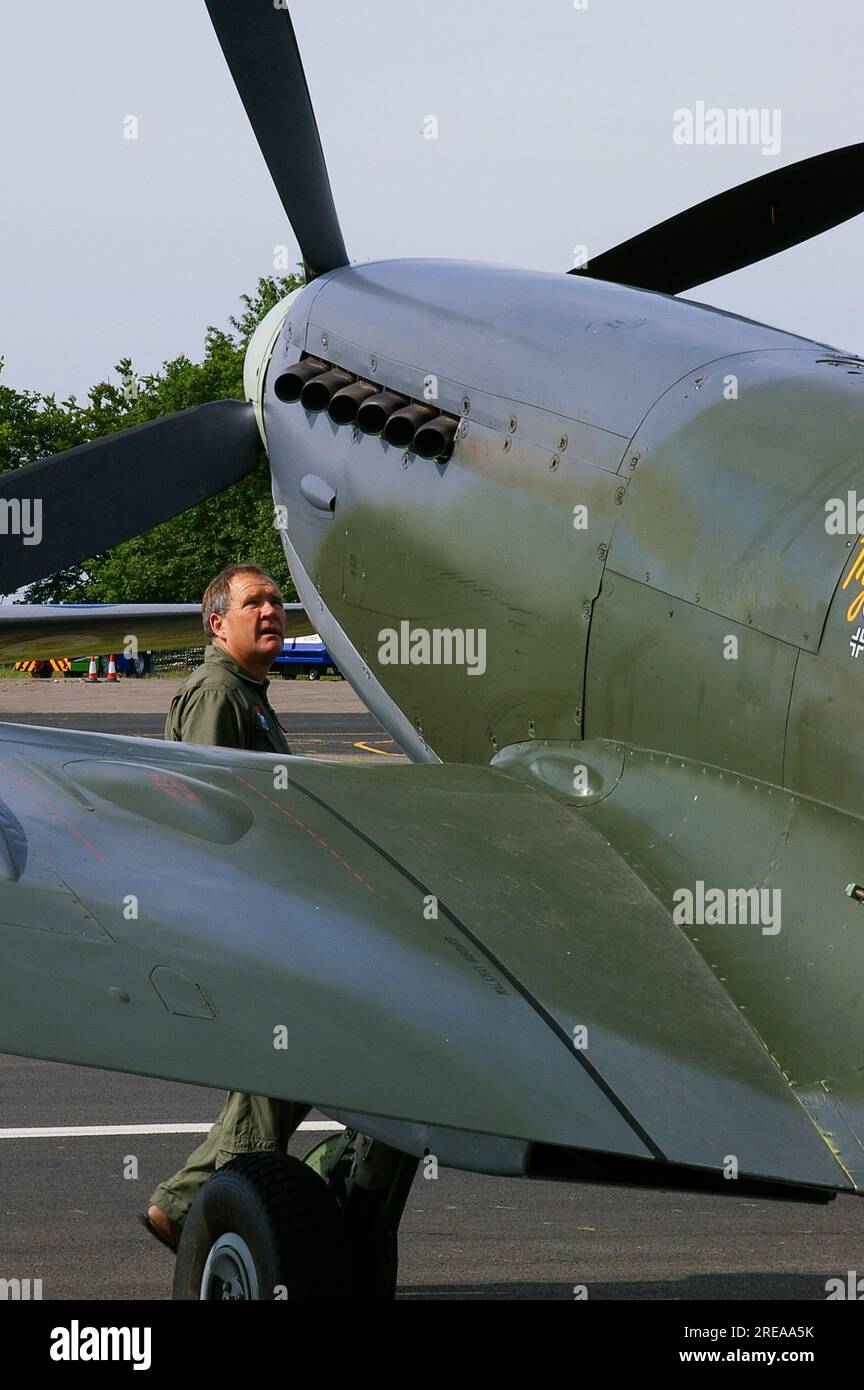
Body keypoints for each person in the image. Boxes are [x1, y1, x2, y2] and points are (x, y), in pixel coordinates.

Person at [139, 562, 309, 1252]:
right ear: (218, 623)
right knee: (284, 1065)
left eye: (275, 600)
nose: (271, 610)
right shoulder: (219, 692)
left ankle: (186, 1202)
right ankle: (212, 1215)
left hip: (265, 915)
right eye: (254, 603)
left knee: (293, 1063)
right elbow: (212, 815)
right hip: (246, 919)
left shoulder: (246, 692)